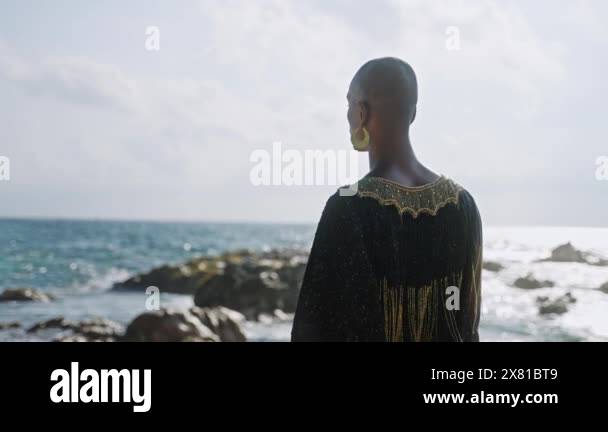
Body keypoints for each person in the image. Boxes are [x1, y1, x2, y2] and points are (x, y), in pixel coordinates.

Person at [291, 57, 482, 342]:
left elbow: (312, 330)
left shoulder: (348, 207)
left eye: (349, 104)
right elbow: (468, 325)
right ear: (413, 114)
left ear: (361, 112)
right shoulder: (463, 205)